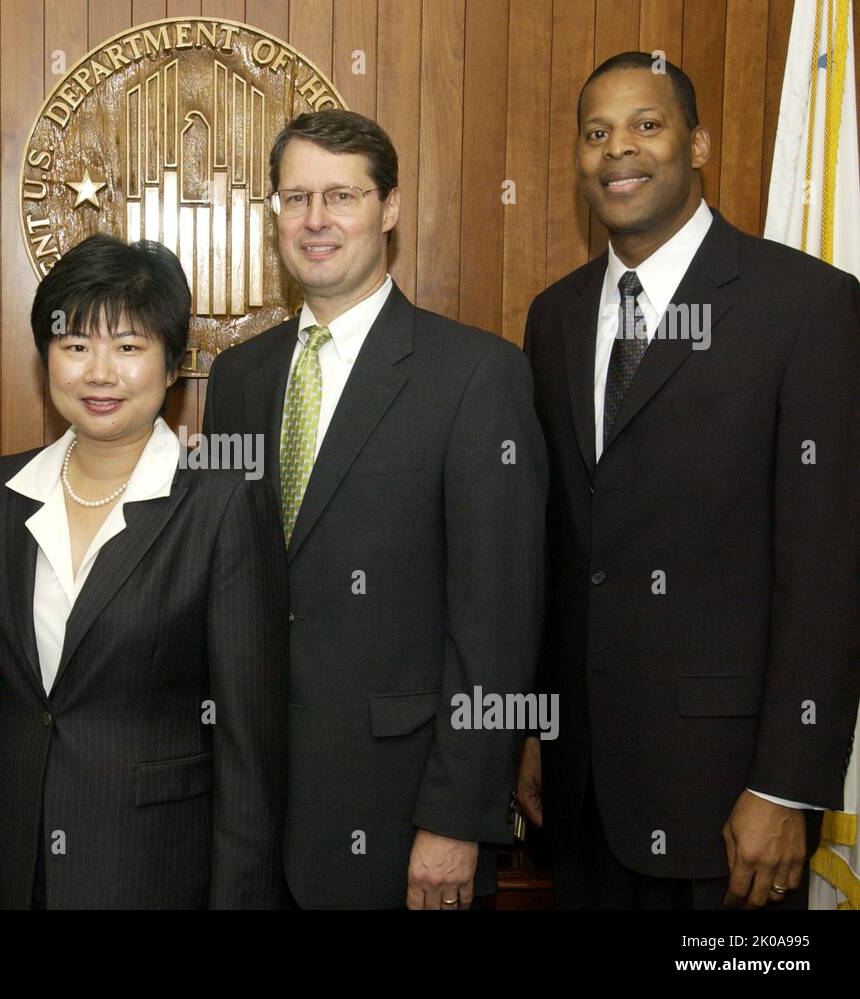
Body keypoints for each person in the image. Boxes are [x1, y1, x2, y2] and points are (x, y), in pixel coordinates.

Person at [517, 52, 860, 910]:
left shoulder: (805, 305)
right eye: (595, 133)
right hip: (582, 790)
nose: (617, 151)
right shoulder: (553, 315)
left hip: (730, 804)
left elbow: (828, 568)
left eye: (646, 125)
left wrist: (787, 787)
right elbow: (557, 549)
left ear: (697, 143)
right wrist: (531, 730)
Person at [203, 110, 548, 909]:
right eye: (294, 198)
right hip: (253, 820)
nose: (315, 220)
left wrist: (458, 820)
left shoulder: (475, 376)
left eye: (341, 196)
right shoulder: (239, 379)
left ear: (389, 208)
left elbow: (496, 623)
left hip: (403, 822)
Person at [0, 234, 288, 909]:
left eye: (128, 346)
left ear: (173, 365)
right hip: (18, 861)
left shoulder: (223, 500)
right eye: (75, 345)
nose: (99, 372)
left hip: (157, 870)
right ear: (47, 357)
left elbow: (248, 745)